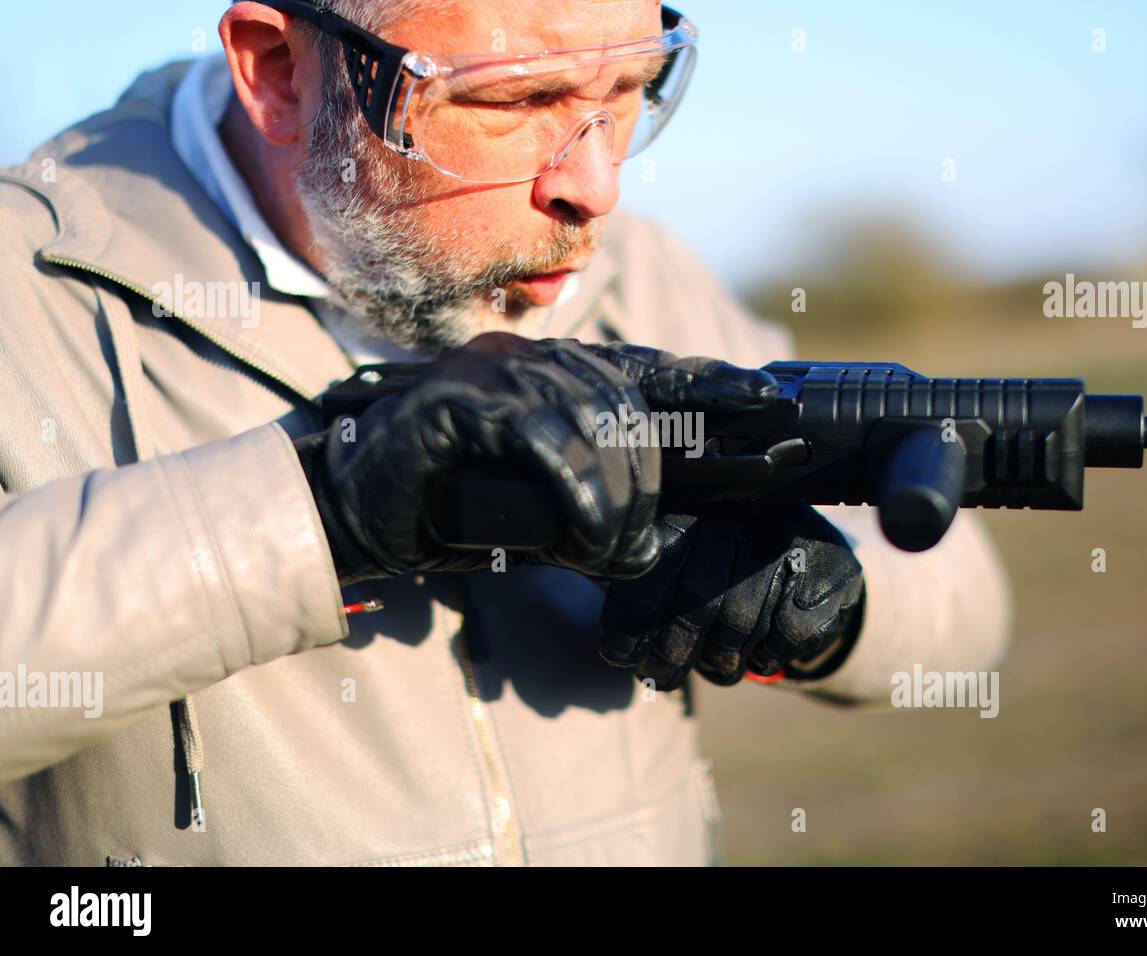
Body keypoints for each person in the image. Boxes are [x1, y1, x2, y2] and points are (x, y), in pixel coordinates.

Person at [0, 0, 1012, 865]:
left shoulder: (634, 276)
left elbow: (964, 599)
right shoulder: (27, 286)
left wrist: (829, 596)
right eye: (517, 100)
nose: (596, 189)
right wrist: (320, 509)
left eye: (628, 93)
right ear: (277, 71)